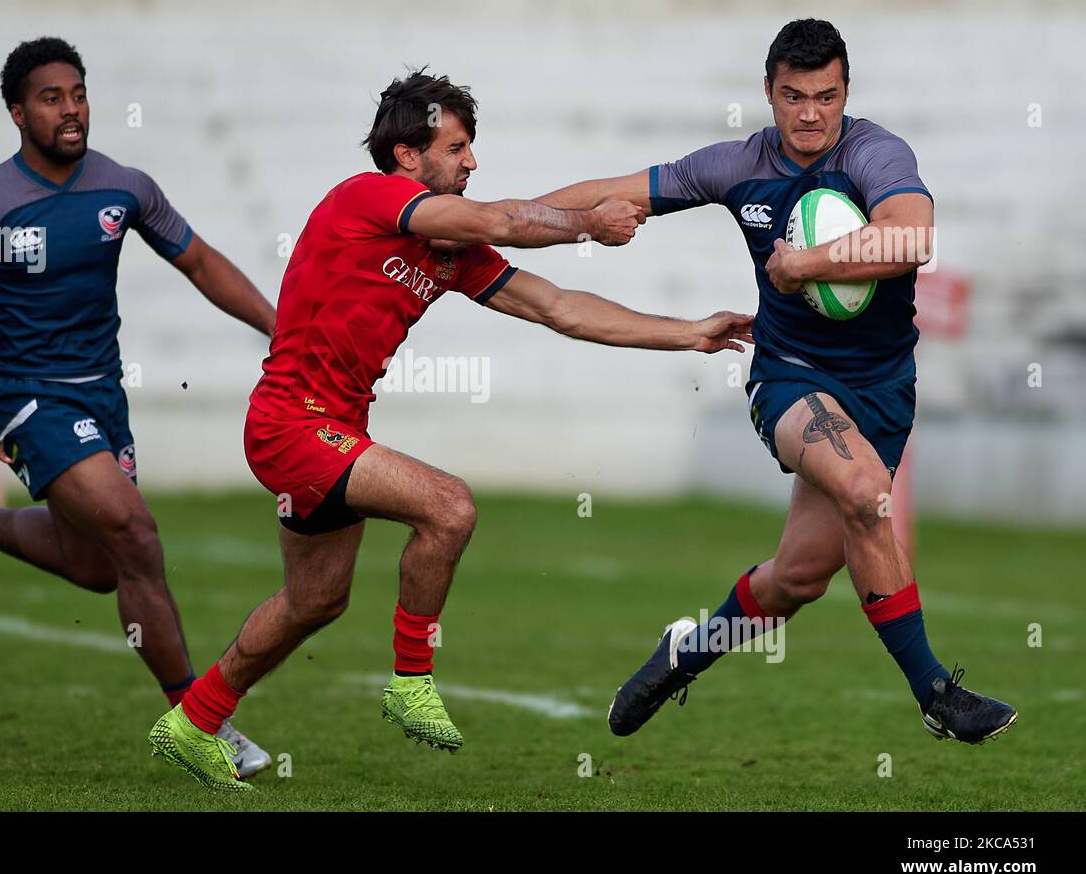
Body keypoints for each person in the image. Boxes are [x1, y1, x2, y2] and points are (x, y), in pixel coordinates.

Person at [147, 69, 755, 792]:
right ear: (409, 154)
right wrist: (589, 222)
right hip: (291, 425)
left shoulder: (448, 249)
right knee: (450, 506)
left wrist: (689, 334)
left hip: (330, 429)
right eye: (458, 146)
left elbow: (558, 307)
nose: (471, 162)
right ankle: (411, 680)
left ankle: (194, 720)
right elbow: (501, 220)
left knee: (315, 602)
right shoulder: (370, 196)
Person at [536, 19, 1016, 745]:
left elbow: (913, 236)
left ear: (846, 92)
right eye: (793, 96)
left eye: (825, 96)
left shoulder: (876, 153)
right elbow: (612, 190)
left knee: (796, 580)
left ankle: (684, 653)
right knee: (865, 493)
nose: (810, 114)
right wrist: (495, 224)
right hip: (789, 378)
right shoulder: (736, 165)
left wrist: (807, 265)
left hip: (884, 391)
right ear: (769, 92)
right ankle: (935, 696)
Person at [0, 36, 278, 776]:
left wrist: (277, 326)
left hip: (101, 395)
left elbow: (197, 260)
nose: (70, 110)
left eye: (78, 93)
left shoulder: (124, 186)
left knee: (98, 566)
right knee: (135, 531)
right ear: (16, 113)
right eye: (50, 98)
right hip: (26, 399)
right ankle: (196, 721)